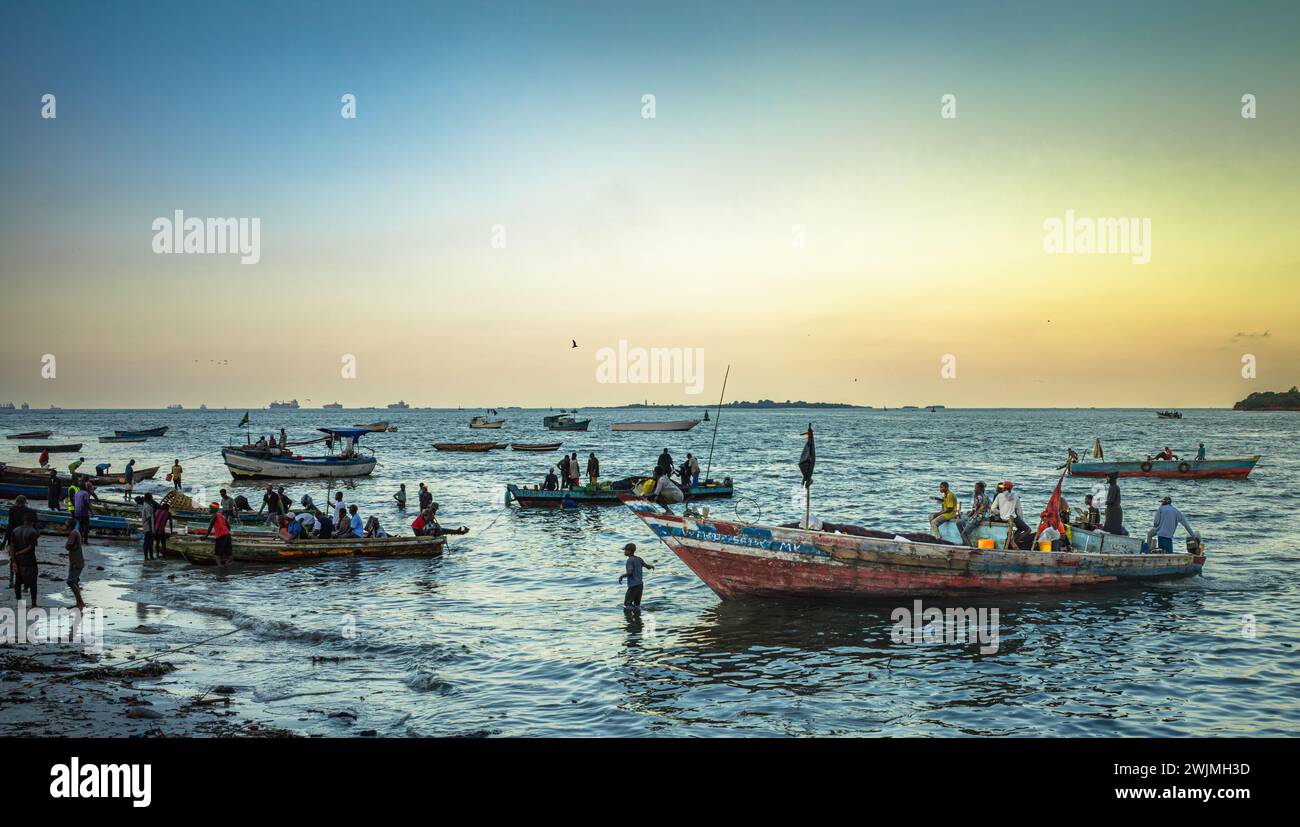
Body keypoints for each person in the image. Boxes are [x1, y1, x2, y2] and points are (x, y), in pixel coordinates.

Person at [10, 512, 40, 606]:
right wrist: (20, 552)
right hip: (29, 560)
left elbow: (12, 546)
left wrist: (14, 560)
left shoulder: (15, 530)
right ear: (33, 522)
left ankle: (19, 603)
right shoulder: (33, 532)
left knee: (18, 581)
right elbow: (31, 547)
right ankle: (33, 603)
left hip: (17, 560)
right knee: (33, 583)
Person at [618, 542, 654, 609]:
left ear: (630, 551)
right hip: (640, 585)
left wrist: (622, 576)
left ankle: (630, 618)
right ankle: (637, 617)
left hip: (633, 585)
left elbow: (630, 573)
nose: (624, 552)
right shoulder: (639, 559)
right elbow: (647, 567)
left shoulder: (629, 560)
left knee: (627, 603)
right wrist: (651, 566)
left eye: (625, 550)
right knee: (637, 604)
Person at [64, 517, 86, 609]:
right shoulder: (76, 532)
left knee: (71, 581)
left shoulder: (73, 533)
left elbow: (68, 546)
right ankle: (79, 602)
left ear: (69, 524)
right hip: (77, 560)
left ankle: (80, 602)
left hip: (76, 561)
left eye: (66, 523)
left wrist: (69, 546)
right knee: (75, 582)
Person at [141, 493, 157, 559]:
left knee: (149, 542)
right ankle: (147, 556)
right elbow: (149, 517)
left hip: (147, 526)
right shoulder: (147, 506)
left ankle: (149, 556)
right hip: (148, 526)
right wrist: (152, 529)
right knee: (148, 542)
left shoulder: (147, 505)